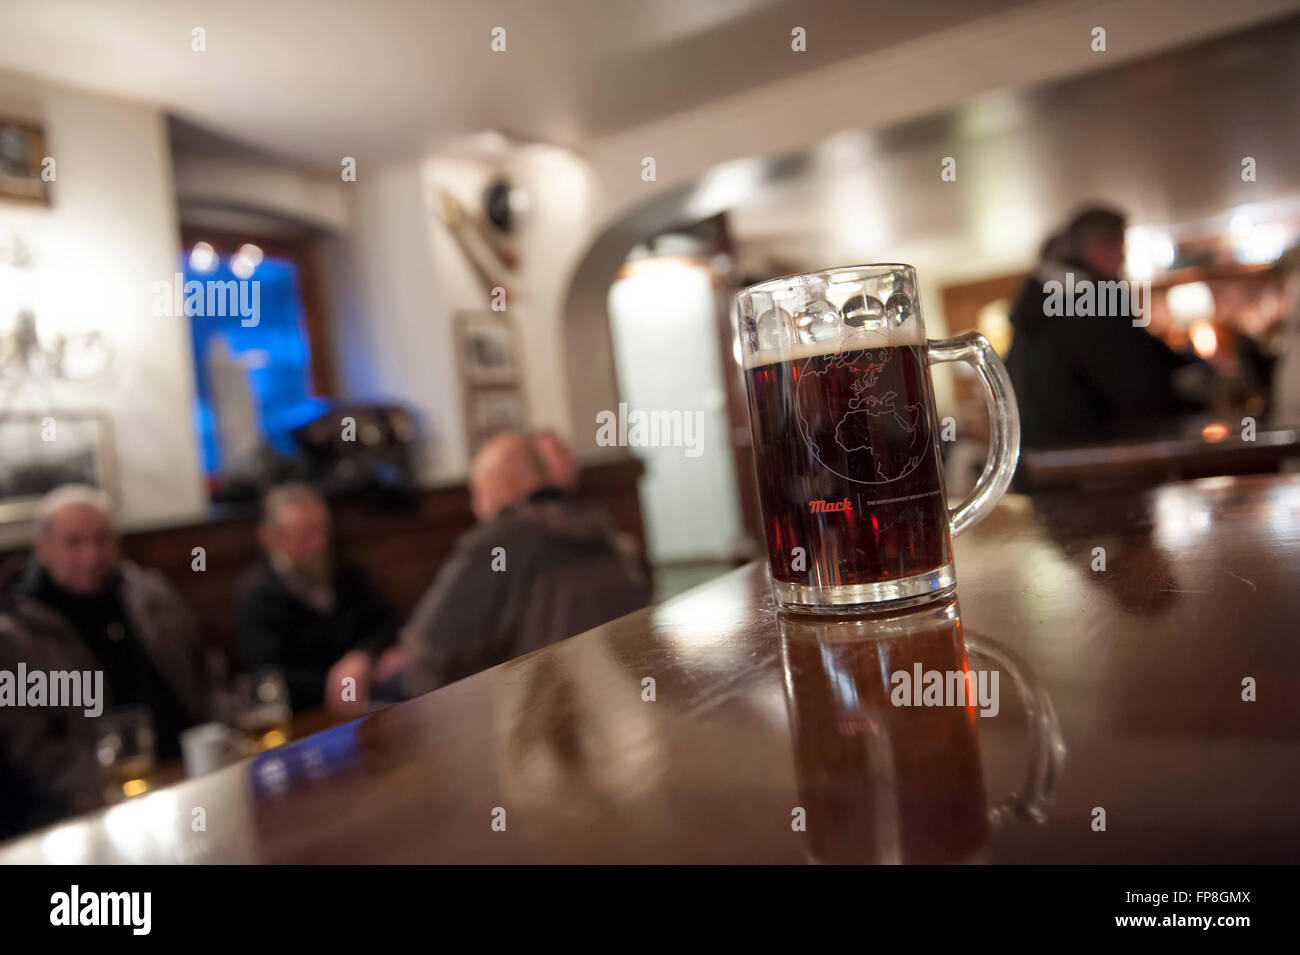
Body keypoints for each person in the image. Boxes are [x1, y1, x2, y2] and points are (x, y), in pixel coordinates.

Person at [0, 485, 208, 837]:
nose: (91, 556)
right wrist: (112, 782)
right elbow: (35, 756)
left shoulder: (150, 594)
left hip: (193, 771)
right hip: (94, 806)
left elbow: (206, 675)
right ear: (42, 549)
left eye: (102, 540)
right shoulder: (16, 634)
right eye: (74, 542)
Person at [401, 432, 652, 696]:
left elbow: (428, 655)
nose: (476, 507)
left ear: (503, 486)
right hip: (618, 699)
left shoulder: (497, 544)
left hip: (544, 716)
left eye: (478, 492)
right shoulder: (600, 525)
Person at [1006, 205, 1208, 448]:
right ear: (1099, 249)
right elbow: (1139, 384)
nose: (1123, 258)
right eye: (1120, 247)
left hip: (1048, 461)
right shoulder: (1096, 300)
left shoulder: (1035, 306)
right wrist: (1199, 394)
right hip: (1104, 460)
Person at [233, 484, 402, 714]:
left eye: (321, 530)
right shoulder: (256, 596)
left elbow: (386, 624)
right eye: (303, 536)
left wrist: (363, 657)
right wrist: (335, 681)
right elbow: (266, 679)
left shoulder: (346, 572)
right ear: (270, 537)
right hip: (308, 717)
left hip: (371, 697)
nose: (318, 545)